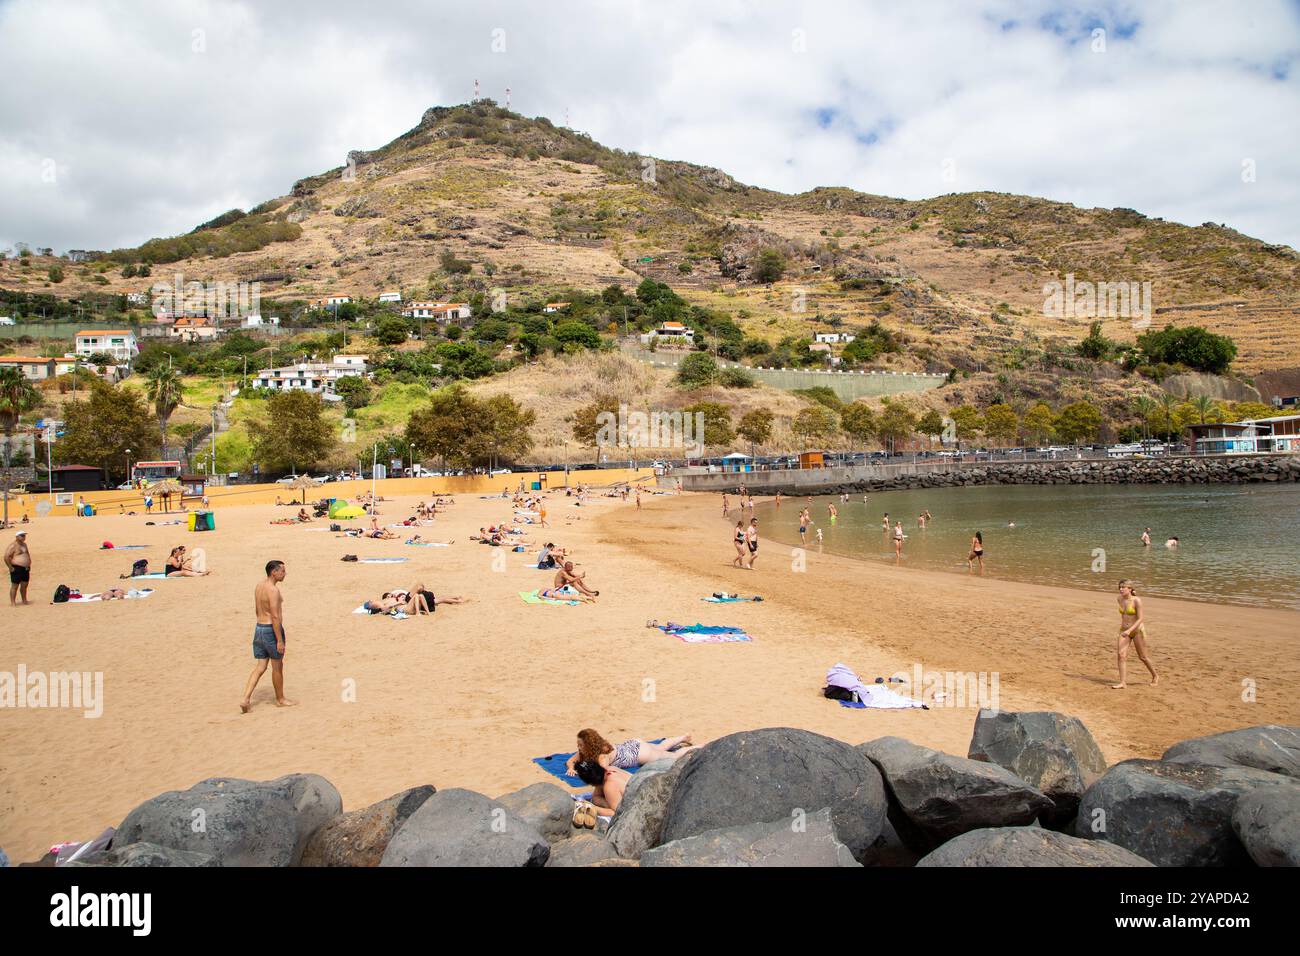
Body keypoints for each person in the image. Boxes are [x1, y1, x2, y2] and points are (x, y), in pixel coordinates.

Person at [241, 560, 295, 712]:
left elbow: (257, 610)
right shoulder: (273, 591)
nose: (285, 573)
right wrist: (279, 640)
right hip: (271, 629)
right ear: (274, 572)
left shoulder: (259, 586)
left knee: (260, 666)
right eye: (282, 571)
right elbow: (275, 616)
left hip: (259, 628)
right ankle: (280, 699)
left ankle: (245, 698)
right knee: (277, 666)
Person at [564, 729, 695, 777]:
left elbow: (603, 773)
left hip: (639, 754)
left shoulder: (602, 756)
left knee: (675, 756)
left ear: (589, 746)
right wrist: (571, 768)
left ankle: (702, 747)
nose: (578, 748)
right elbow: (570, 761)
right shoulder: (585, 751)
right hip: (632, 744)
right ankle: (683, 738)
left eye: (580, 745)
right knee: (660, 747)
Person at [1112, 579, 1159, 690]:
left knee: (1143, 657)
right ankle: (1123, 682)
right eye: (1120, 587)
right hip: (1123, 631)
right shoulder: (1119, 599)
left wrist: (1130, 630)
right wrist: (1126, 630)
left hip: (1137, 631)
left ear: (1130, 589)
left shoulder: (1137, 600)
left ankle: (1155, 675)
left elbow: (1140, 618)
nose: (1121, 589)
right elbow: (1124, 616)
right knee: (1121, 655)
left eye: (1123, 587)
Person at [5, 530, 31, 606]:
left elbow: (27, 554)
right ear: (17, 537)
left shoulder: (24, 545)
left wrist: (29, 563)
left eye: (24, 535)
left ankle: (24, 600)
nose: (24, 537)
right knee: (15, 586)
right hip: (16, 568)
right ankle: (13, 602)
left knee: (24, 585)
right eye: (22, 535)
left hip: (25, 568)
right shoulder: (13, 546)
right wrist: (10, 567)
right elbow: (6, 557)